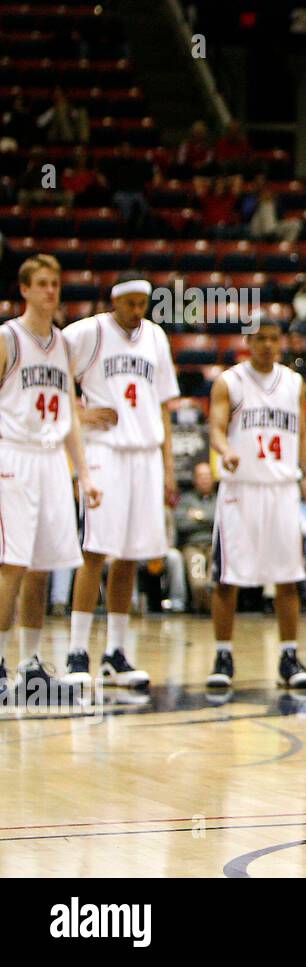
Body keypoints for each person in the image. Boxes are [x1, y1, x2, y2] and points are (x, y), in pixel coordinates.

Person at [62, 274, 181, 689]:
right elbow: (46, 371)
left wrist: (167, 468)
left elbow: (165, 406)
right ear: (114, 302)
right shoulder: (88, 332)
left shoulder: (155, 337)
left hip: (145, 455)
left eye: (141, 304)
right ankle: (77, 651)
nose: (136, 312)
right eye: (129, 304)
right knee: (96, 550)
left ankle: (116, 653)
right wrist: (79, 413)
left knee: (130, 555)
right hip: (105, 453)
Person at [0, 255, 101, 702]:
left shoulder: (64, 345)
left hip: (52, 460)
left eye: (56, 284)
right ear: (23, 289)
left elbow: (72, 419)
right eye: (42, 284)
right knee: (13, 563)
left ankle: (30, 667)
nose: (51, 291)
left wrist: (84, 473)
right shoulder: (7, 338)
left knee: (43, 564)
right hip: (14, 455)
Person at [205, 314, 306, 689]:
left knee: (288, 577)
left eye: (274, 338)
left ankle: (289, 656)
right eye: (260, 339)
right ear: (248, 342)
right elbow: (216, 429)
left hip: (282, 490)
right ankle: (223, 655)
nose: (268, 345)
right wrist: (225, 451)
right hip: (241, 490)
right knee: (227, 577)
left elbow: (304, 437)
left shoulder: (294, 382)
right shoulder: (230, 382)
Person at [174, 461, 218, 613]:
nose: (205, 479)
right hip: (194, 547)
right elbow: (181, 523)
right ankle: (203, 609)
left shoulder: (219, 499)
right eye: (201, 476)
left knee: (214, 581)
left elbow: (222, 522)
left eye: (208, 476)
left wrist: (199, 517)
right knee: (199, 583)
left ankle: (215, 611)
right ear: (194, 480)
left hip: (214, 545)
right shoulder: (186, 500)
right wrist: (209, 520)